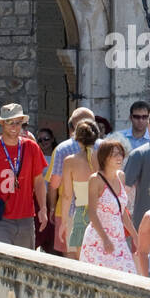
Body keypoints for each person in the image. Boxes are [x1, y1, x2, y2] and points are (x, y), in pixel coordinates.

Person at [0, 103, 48, 249]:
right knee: (1, 262)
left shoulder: (32, 148)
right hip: (0, 219)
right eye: (9, 122)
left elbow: (39, 181)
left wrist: (43, 208)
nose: (14, 127)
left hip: (26, 218)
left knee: (25, 266)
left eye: (18, 123)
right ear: (2, 123)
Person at [80, 138, 139, 272]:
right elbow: (92, 213)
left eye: (120, 154)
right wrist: (105, 238)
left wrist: (135, 236)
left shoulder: (121, 176)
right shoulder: (96, 179)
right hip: (98, 238)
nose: (119, 158)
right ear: (104, 158)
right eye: (114, 154)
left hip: (118, 238)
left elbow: (121, 211)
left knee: (128, 274)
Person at [48, 106, 96, 253]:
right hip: (99, 211)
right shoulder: (104, 147)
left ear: (71, 127)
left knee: (71, 256)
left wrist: (51, 207)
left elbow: (56, 184)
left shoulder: (63, 149)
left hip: (71, 212)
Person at [59, 119, 100, 258]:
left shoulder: (70, 161)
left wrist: (63, 222)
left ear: (77, 138)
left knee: (81, 261)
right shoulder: (104, 158)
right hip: (103, 213)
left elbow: (66, 195)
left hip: (81, 214)